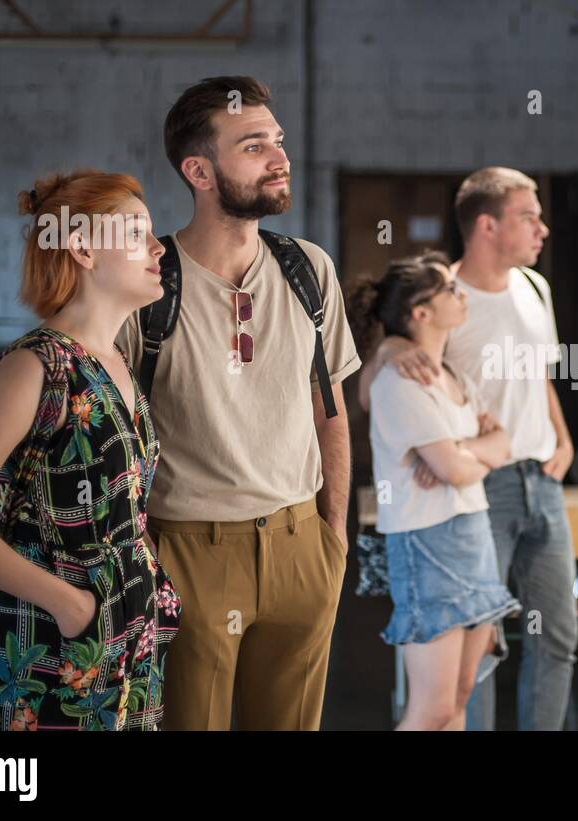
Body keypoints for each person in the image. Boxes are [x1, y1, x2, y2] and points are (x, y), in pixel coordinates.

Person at [115, 76, 361, 730]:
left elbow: (328, 408)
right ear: (198, 170)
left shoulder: (310, 269)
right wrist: (141, 556)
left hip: (302, 543)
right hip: (188, 551)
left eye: (277, 141)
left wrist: (333, 537)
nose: (280, 158)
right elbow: (109, 435)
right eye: (254, 146)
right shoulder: (146, 284)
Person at [0, 169, 179, 731]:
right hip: (50, 652)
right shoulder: (35, 367)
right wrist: (69, 604)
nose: (157, 247)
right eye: (135, 232)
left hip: (128, 644)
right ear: (81, 247)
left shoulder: (116, 363)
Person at [359, 167, 577, 731]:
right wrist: (387, 352)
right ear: (487, 225)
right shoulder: (443, 297)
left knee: (557, 636)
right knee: (474, 655)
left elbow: (540, 379)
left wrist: (564, 439)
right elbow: (376, 384)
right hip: (484, 488)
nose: (542, 229)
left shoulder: (536, 289)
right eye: (528, 216)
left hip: (541, 478)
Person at [349, 250, 521, 730]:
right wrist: (468, 455)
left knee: (461, 696)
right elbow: (457, 469)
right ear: (420, 313)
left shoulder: (454, 376)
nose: (460, 293)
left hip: (472, 536)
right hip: (426, 543)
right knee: (433, 709)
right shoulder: (398, 380)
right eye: (448, 288)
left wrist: (466, 450)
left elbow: (502, 442)